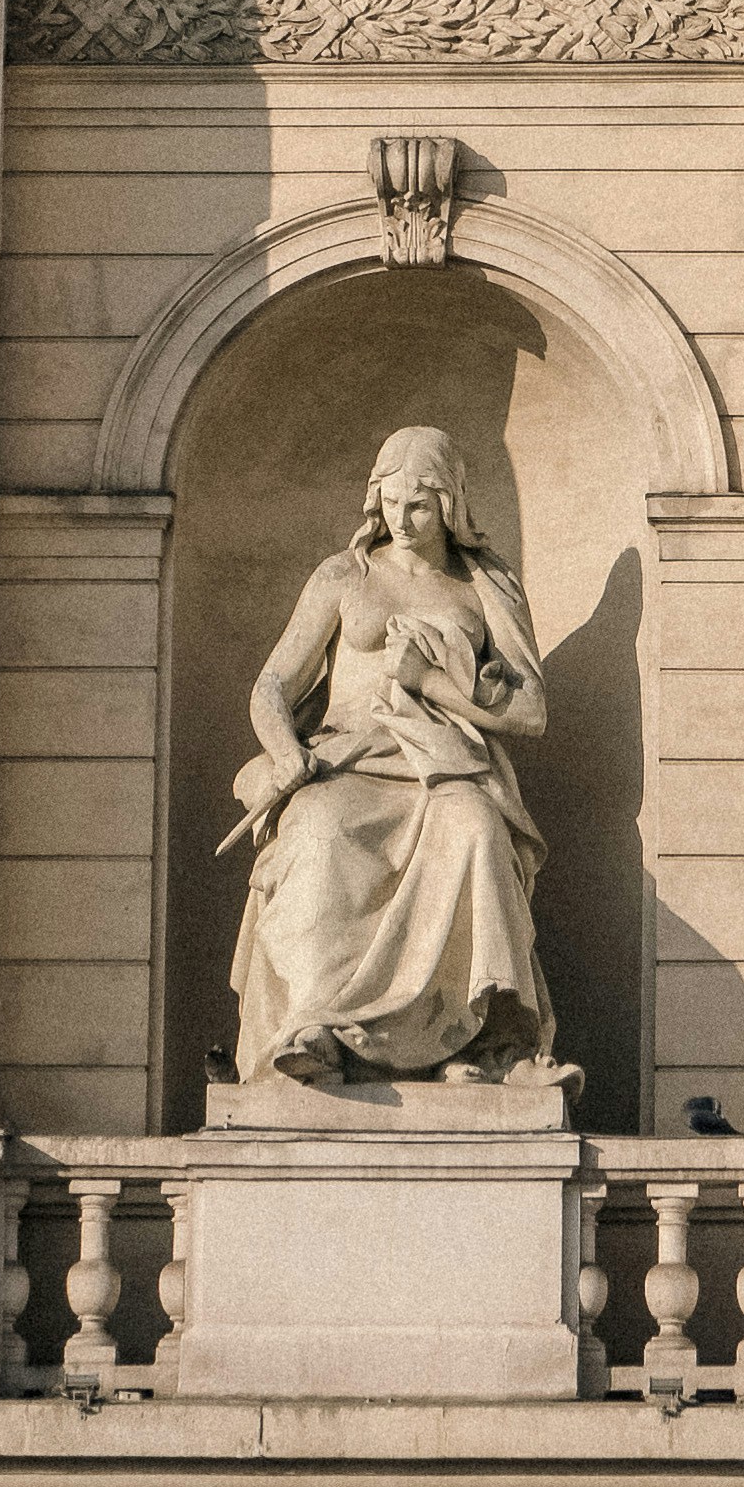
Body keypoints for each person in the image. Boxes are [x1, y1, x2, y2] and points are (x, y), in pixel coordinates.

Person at [225, 426, 555, 1085]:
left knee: (478, 831)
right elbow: (271, 686)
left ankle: (479, 1042)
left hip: (442, 763)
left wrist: (431, 683)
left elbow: (530, 711)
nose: (403, 521)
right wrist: (284, 751)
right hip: (348, 757)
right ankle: (313, 1028)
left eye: (420, 507)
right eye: (393, 502)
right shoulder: (346, 574)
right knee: (321, 832)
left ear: (451, 505)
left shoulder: (483, 583)